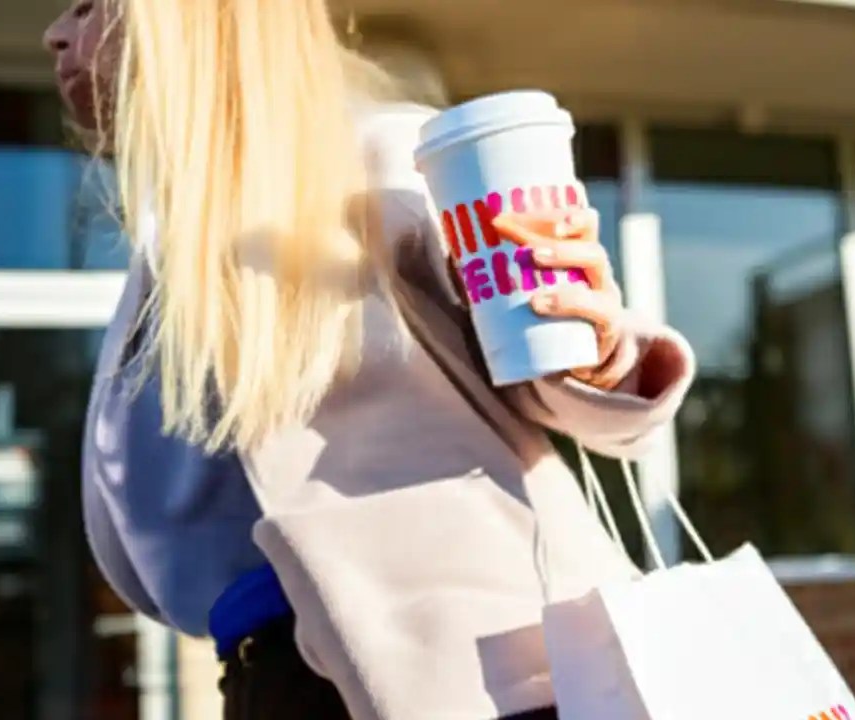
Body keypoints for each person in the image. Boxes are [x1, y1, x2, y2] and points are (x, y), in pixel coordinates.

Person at [45, 1, 696, 718]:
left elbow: (552, 355)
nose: (57, 35)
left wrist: (595, 353)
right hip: (271, 681)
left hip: (493, 674)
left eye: (88, 5)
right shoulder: (168, 245)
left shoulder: (389, 157)